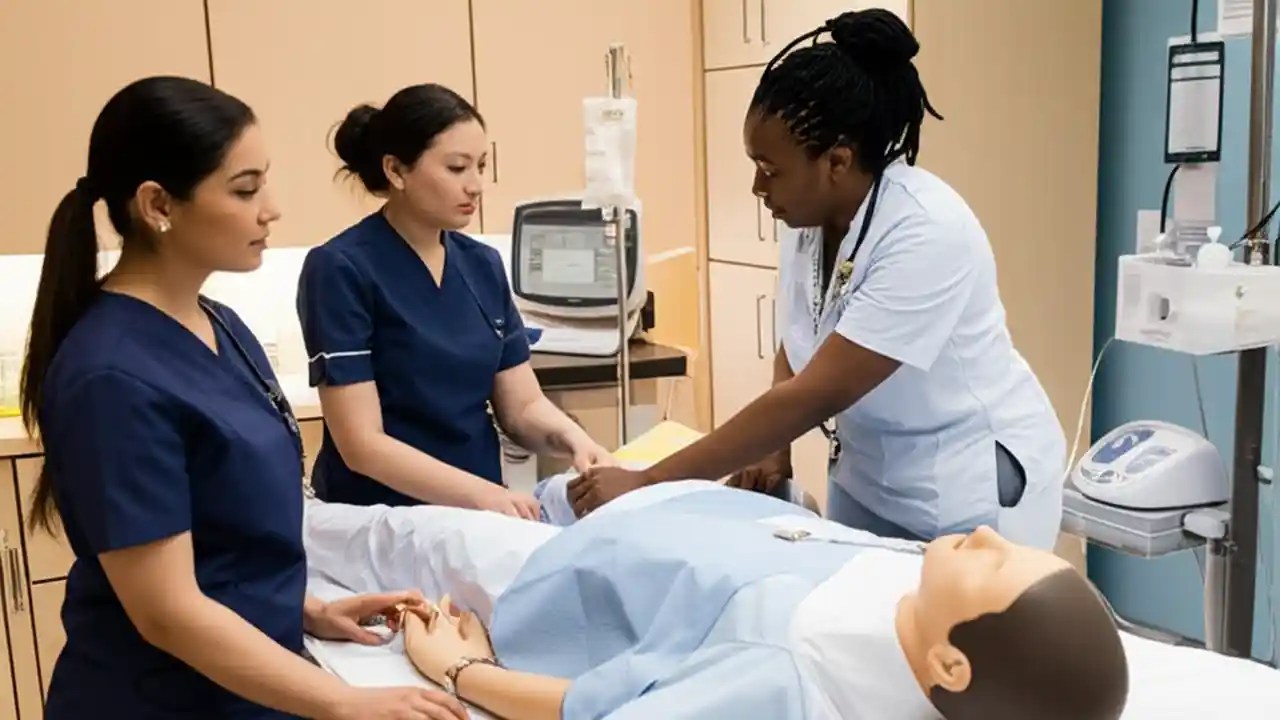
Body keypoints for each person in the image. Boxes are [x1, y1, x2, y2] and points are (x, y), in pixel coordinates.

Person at [24, 75, 466, 720]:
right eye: (245, 189)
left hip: (255, 679)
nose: (272, 208)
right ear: (158, 205)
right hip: (161, 699)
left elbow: (225, 549)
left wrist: (309, 610)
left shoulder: (220, 323)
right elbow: (168, 613)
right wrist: (345, 703)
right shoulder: (110, 378)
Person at [569, 9, 1067, 550]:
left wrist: (648, 481)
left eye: (771, 168)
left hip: (963, 487)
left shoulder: (926, 232)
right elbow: (799, 335)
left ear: (836, 161)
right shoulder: (808, 220)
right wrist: (772, 448)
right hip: (870, 474)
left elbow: (814, 393)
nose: (758, 186)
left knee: (952, 631)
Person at [304, 481, 1130, 720]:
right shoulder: (916, 577)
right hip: (658, 515)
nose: (986, 538)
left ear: (951, 664)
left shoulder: (787, 675)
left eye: (994, 567)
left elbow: (591, 709)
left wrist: (461, 671)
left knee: (365, 535)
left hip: (564, 576)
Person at [296, 83, 614, 519]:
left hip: (477, 514)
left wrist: (575, 440)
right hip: (382, 520)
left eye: (481, 166)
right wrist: (485, 496)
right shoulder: (340, 269)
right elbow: (361, 445)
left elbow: (521, 407)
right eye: (457, 167)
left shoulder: (481, 264)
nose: (477, 185)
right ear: (396, 170)